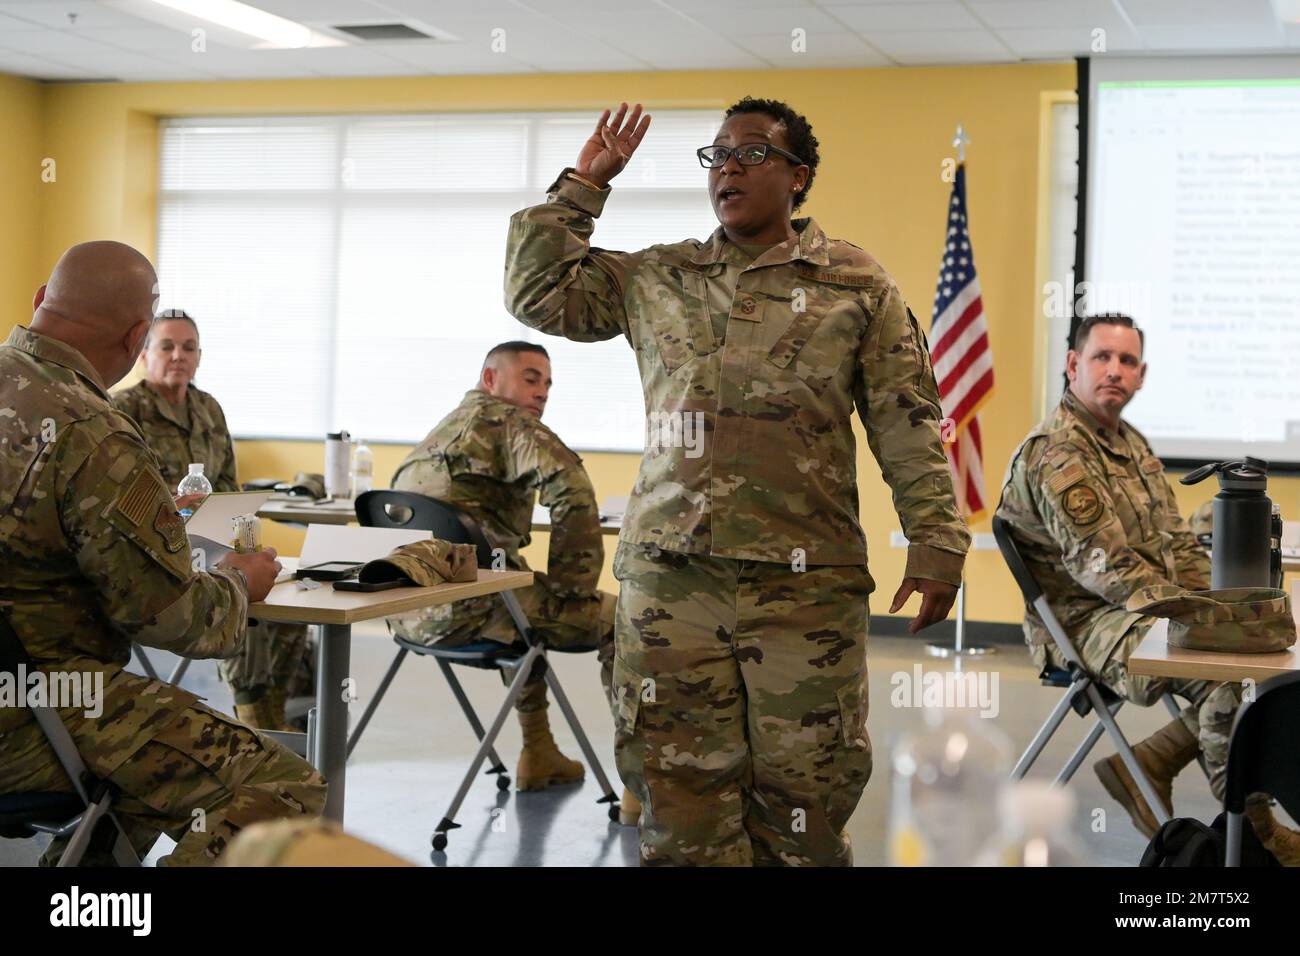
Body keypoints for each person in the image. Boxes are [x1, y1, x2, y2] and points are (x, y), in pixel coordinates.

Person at [504, 99, 970, 865]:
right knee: (676, 799)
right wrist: (586, 184)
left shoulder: (854, 285)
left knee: (804, 804)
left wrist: (937, 539)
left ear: (798, 177)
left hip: (804, 591)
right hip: (671, 588)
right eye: (716, 155)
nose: (727, 166)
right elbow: (538, 295)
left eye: (751, 153)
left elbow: (905, 418)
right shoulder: (659, 276)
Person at [0, 241, 326, 865]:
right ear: (136, 339)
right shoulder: (94, 430)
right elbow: (170, 618)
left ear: (41, 300)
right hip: (38, 706)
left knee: (143, 788)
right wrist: (237, 582)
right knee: (284, 787)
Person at [996, 313, 1300, 863]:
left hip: (1137, 608)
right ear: (1073, 365)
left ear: (1142, 375)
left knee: (1256, 650)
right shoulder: (1058, 452)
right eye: (1102, 357)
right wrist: (1205, 620)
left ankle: (1155, 761)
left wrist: (1223, 605)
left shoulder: (1130, 443)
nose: (1115, 370)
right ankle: (1254, 835)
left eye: (1127, 361)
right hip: (1087, 623)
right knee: (1227, 677)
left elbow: (1175, 545)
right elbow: (1107, 570)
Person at [390, 342, 620, 799]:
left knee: (522, 600)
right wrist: (572, 592)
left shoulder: (443, 432)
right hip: (474, 612)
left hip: (410, 615)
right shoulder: (508, 423)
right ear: (491, 381)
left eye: (548, 383)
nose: (543, 392)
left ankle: (539, 751)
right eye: (530, 378)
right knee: (629, 620)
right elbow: (573, 486)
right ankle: (647, 778)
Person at [112, 310, 314, 731]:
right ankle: (258, 720)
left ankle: (276, 715)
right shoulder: (122, 410)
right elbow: (122, 499)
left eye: (188, 348)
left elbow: (230, 491)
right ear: (145, 355)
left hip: (213, 544)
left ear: (199, 357)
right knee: (244, 602)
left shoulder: (208, 409)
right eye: (166, 346)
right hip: (156, 552)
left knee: (286, 592)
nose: (177, 356)